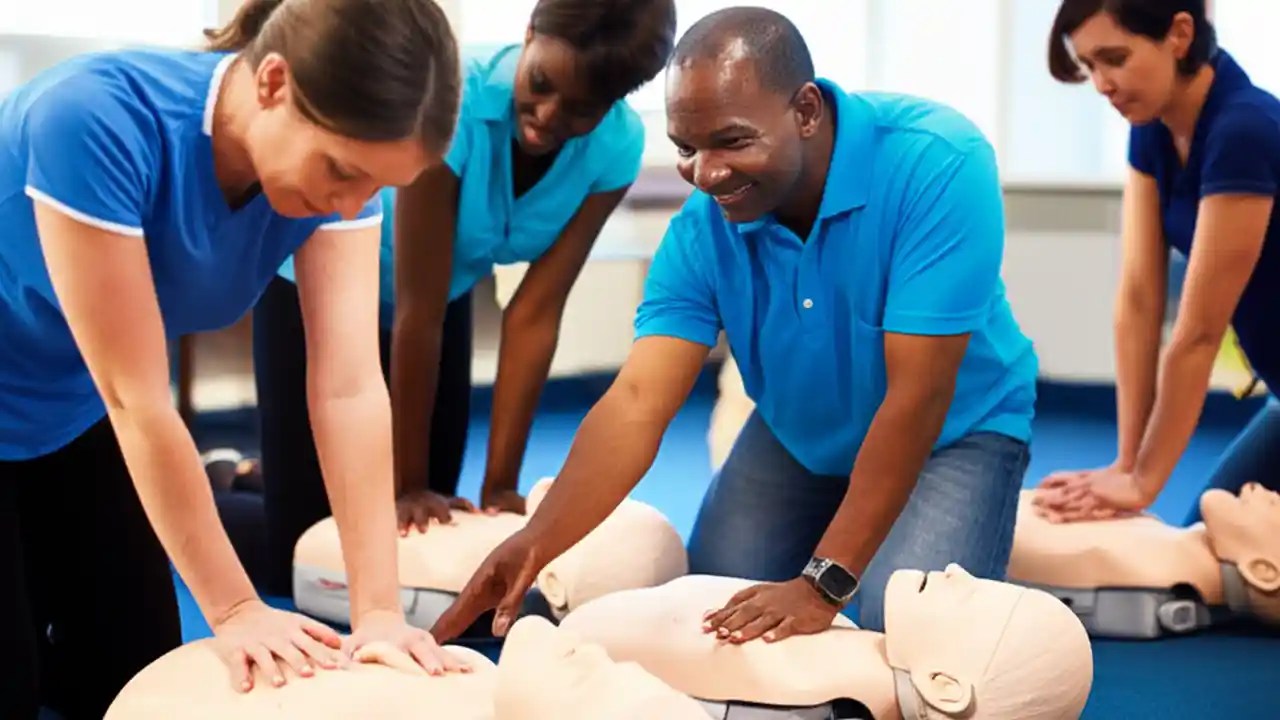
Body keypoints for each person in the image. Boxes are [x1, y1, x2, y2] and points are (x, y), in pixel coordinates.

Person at [431, 6, 1039, 644]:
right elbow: (637, 401)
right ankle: (862, 527)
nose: (708, 174)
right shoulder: (700, 229)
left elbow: (916, 397)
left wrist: (822, 582)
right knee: (714, 606)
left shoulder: (939, 162)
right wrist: (536, 540)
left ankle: (964, 539)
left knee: (902, 622)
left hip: (955, 432)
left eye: (733, 141)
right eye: (686, 148)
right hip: (800, 434)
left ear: (804, 111)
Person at [0, 0, 468, 716]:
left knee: (131, 673)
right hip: (96, 396)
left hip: (69, 402)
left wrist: (378, 614)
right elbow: (139, 399)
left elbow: (347, 387)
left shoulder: (337, 182)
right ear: (273, 82)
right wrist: (238, 607)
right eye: (343, 172)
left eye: (377, 187)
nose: (352, 208)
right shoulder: (92, 119)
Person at [251, 0, 678, 597]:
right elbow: (415, 309)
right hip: (323, 287)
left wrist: (502, 489)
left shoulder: (616, 148)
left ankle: (272, 475)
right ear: (529, 32)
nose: (547, 117)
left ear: (614, 102)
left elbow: (534, 313)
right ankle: (234, 480)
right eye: (541, 83)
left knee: (433, 523)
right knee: (299, 554)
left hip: (440, 303)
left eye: (580, 109)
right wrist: (405, 484)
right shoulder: (453, 96)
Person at [1034, 0, 1280, 525]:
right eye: (1090, 66)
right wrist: (1127, 463)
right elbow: (1140, 298)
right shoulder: (1152, 125)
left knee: (1244, 564)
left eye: (1115, 58)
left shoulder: (1245, 130)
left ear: (1180, 34)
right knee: (1211, 539)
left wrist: (1144, 482)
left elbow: (1197, 332)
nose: (1101, 84)